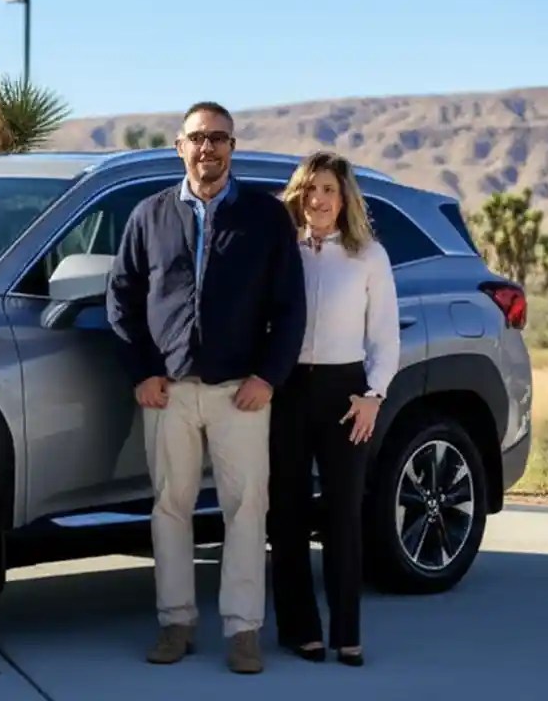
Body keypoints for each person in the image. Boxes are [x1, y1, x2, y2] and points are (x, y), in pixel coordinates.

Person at [106, 101, 306, 674]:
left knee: (247, 510)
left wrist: (268, 376)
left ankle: (243, 632)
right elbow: (121, 297)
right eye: (197, 138)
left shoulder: (266, 218)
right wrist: (140, 371)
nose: (207, 148)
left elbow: (291, 305)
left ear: (232, 147)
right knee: (170, 507)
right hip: (167, 392)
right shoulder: (149, 215)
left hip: (240, 392)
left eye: (219, 138)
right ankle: (175, 623)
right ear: (180, 146)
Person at [268, 150, 400, 668]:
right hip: (289, 390)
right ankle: (300, 630)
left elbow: (384, 337)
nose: (318, 199)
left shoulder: (368, 256)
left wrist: (374, 395)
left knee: (344, 515)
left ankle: (347, 631)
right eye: (310, 189)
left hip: (347, 394)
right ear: (298, 196)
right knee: (288, 514)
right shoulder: (284, 251)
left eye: (328, 190)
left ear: (344, 198)